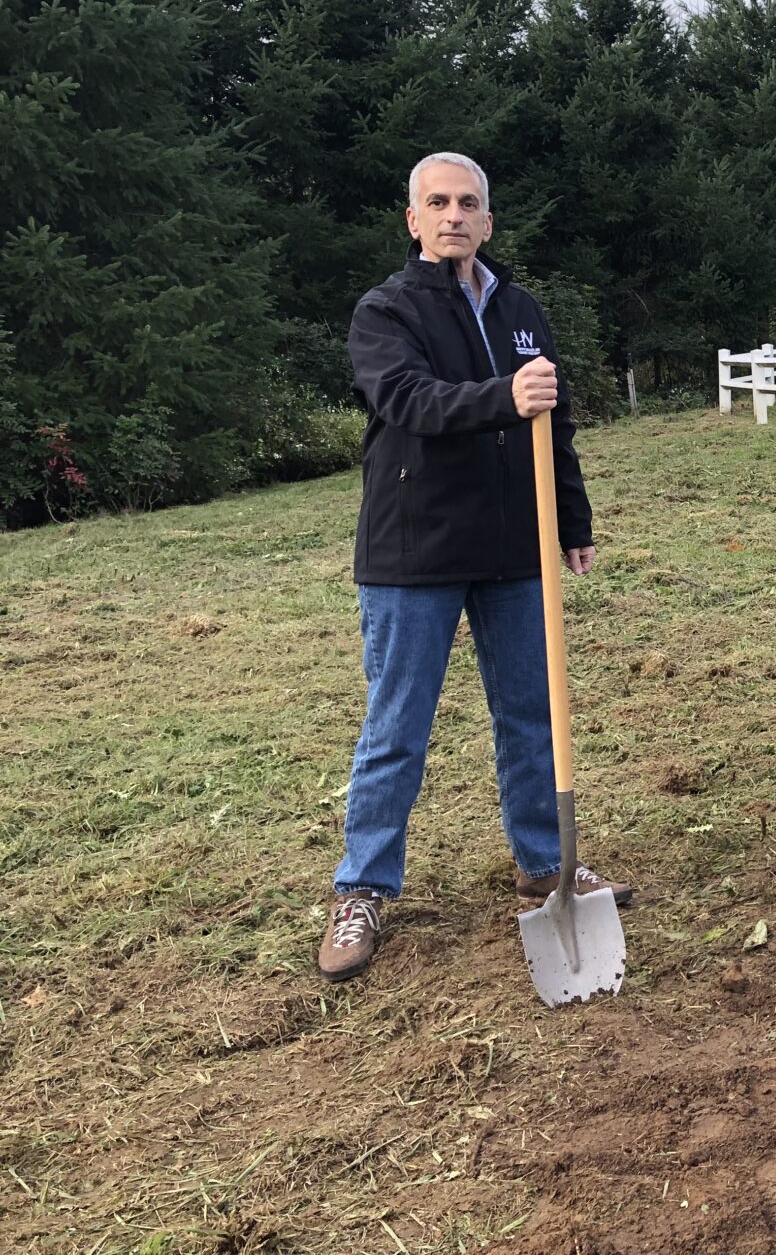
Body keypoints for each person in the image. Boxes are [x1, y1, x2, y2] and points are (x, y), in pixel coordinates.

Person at [318, 152, 630, 982]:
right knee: (397, 729)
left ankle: (542, 860)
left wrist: (570, 517)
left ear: (488, 221)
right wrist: (503, 395)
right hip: (412, 549)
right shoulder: (385, 310)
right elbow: (406, 401)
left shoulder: (522, 310)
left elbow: (550, 424)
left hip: (512, 547)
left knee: (532, 714)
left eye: (468, 204)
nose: (454, 216)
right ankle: (362, 888)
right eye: (437, 203)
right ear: (414, 220)